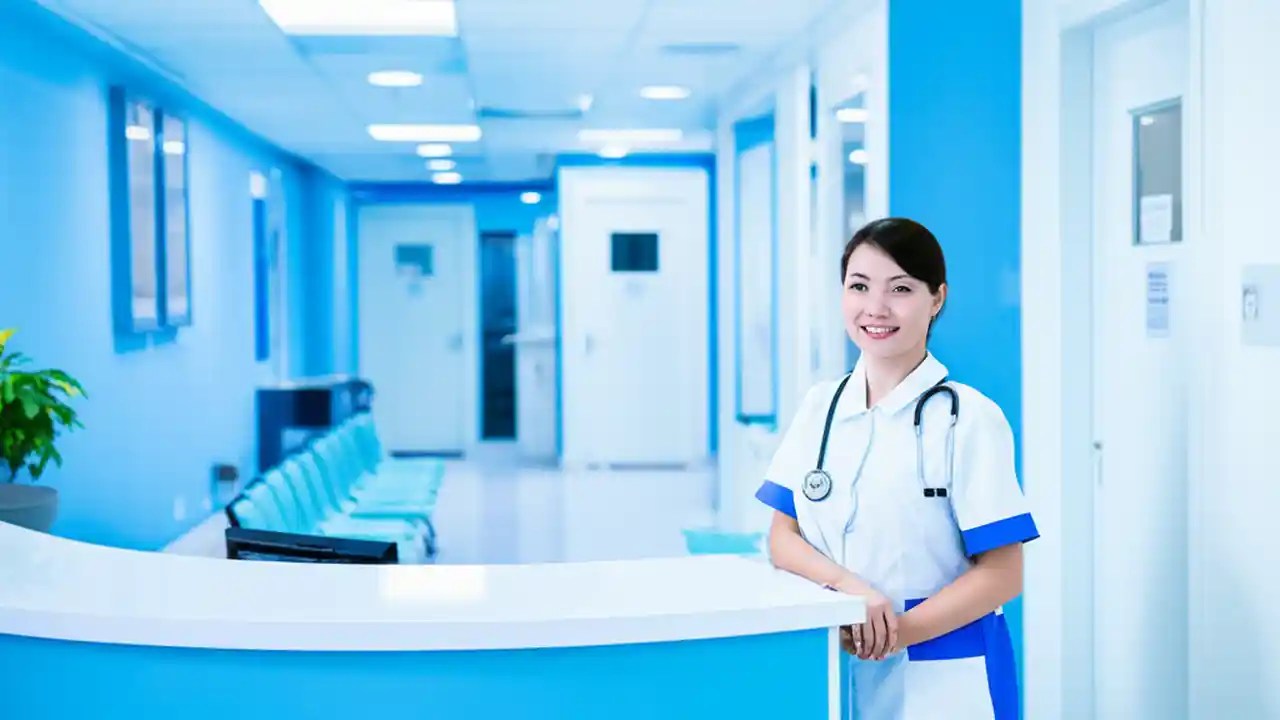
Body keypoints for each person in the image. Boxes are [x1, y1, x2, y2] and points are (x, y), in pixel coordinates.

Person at [755, 218, 1039, 719]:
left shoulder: (969, 419)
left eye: (901, 289)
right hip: (834, 652)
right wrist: (854, 593)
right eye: (859, 287)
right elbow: (783, 537)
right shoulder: (820, 407)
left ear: (937, 299)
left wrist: (894, 634)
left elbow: (1002, 573)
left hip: (944, 670)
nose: (876, 308)